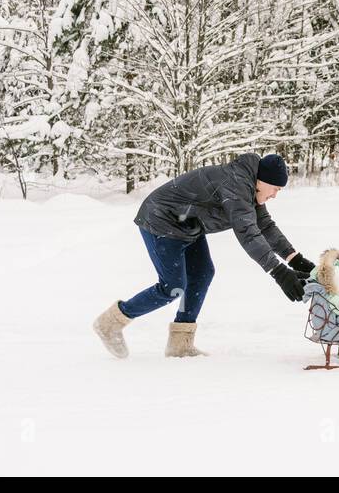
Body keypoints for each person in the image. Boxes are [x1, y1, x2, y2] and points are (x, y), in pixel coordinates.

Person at [92, 152, 313, 358]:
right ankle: (111, 323)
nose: (275, 194)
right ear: (263, 180)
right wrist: (279, 272)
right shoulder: (236, 185)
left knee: (202, 273)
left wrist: (295, 259)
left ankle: (180, 343)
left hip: (188, 224)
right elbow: (248, 233)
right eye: (275, 188)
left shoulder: (248, 186)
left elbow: (264, 225)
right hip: (161, 219)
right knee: (172, 287)